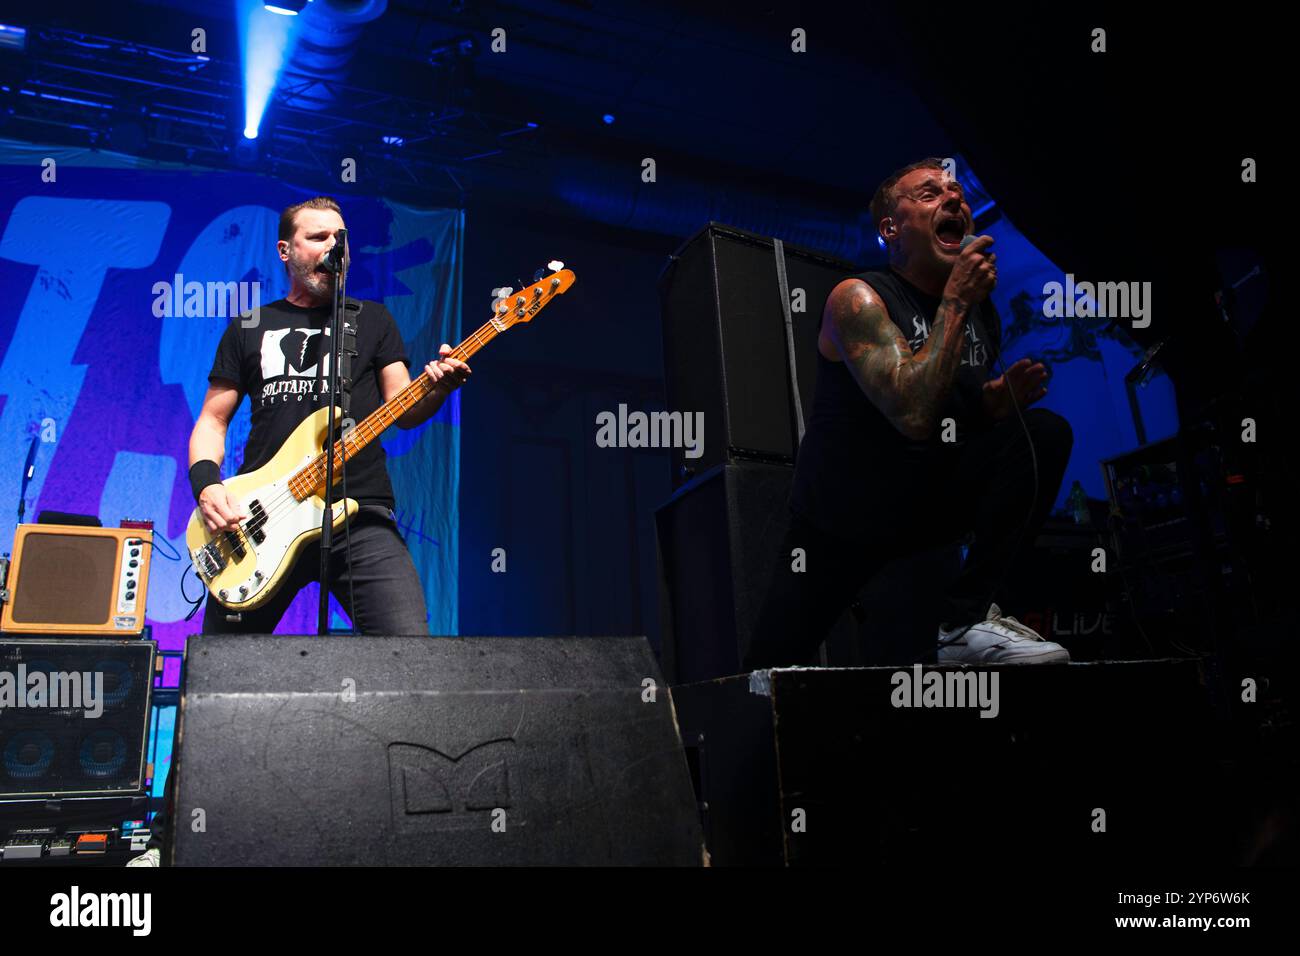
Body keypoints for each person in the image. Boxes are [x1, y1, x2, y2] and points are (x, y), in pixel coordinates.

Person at [744, 158, 1074, 669]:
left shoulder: (981, 313)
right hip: (842, 520)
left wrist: (993, 404)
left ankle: (966, 621)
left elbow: (948, 408)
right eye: (928, 193)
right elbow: (912, 412)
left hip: (923, 497)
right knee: (769, 671)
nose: (952, 199)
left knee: (1043, 434)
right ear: (891, 229)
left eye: (956, 191)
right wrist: (958, 300)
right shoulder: (858, 298)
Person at [187, 195, 469, 636]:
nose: (332, 246)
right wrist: (206, 486)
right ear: (286, 251)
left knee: (408, 651)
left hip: (358, 511)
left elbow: (406, 410)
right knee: (223, 667)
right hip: (263, 516)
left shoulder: (374, 320)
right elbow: (213, 419)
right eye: (317, 237)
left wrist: (439, 387)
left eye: (340, 238)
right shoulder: (250, 326)